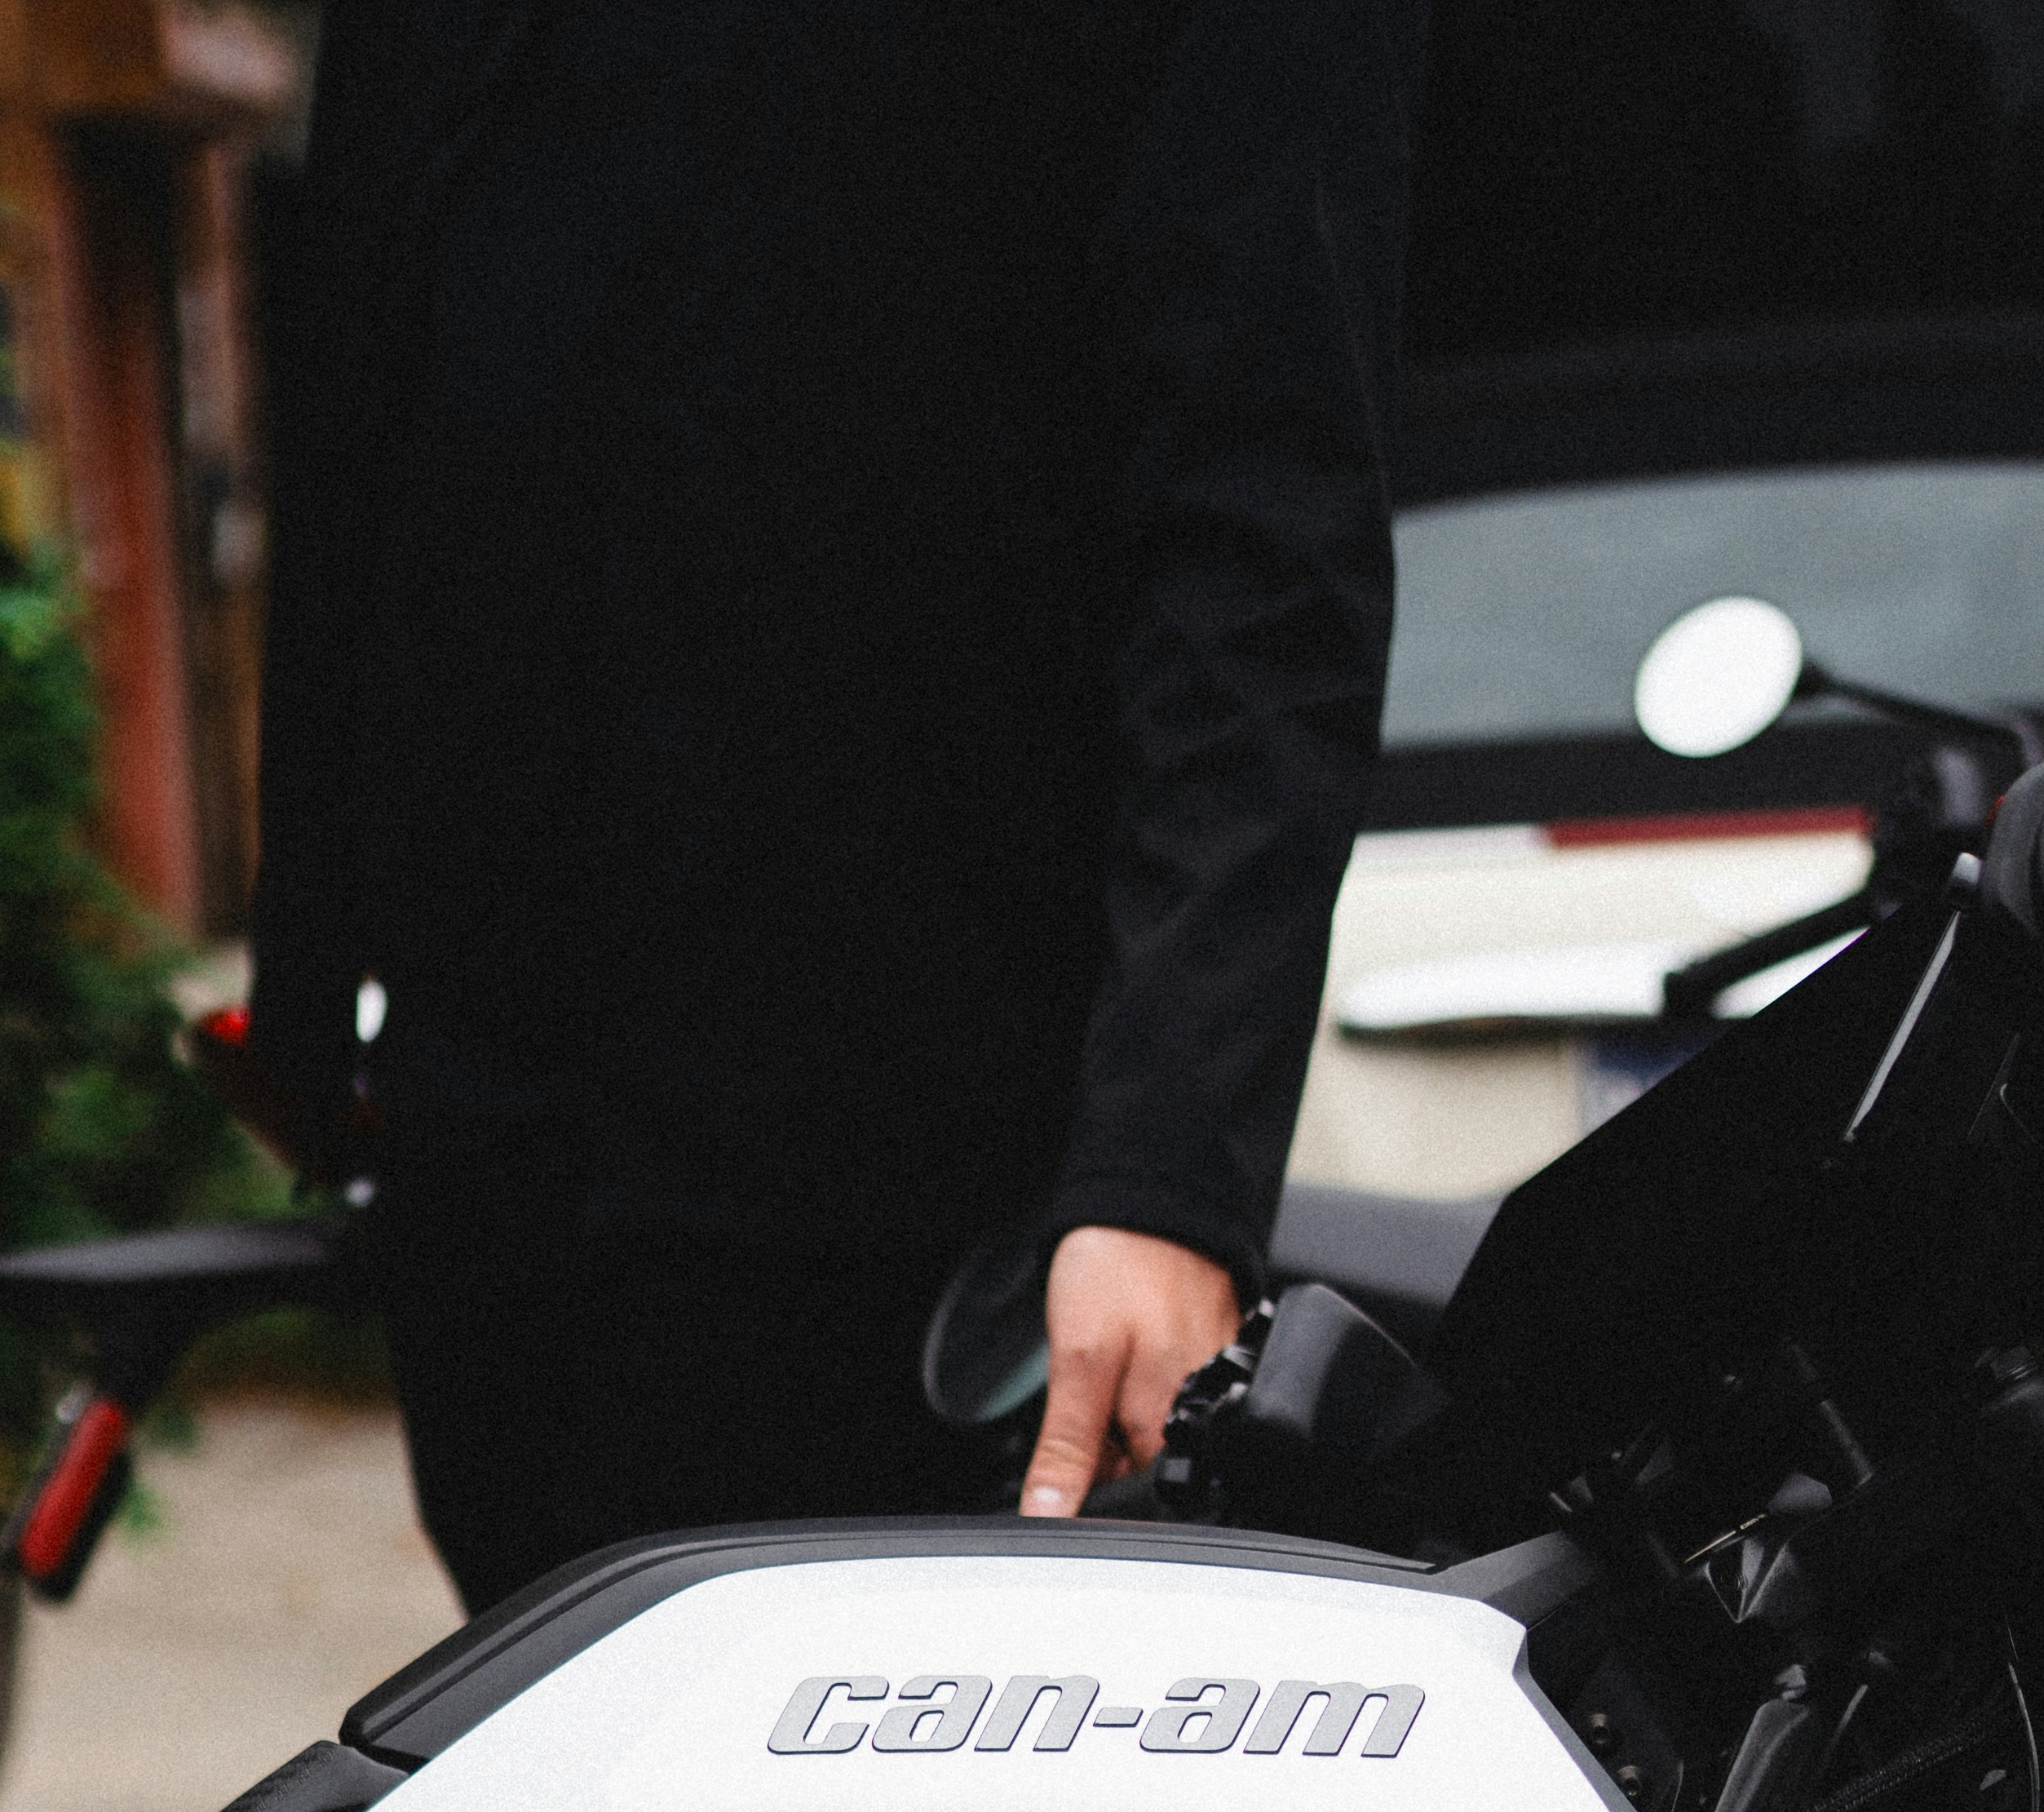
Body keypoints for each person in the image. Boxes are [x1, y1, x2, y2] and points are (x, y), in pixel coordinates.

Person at [246, 0, 1422, 1612]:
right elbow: (358, 412)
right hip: (504, 1174)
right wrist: (309, 1000)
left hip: (925, 1195)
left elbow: (1260, 536)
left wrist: (1162, 1177)